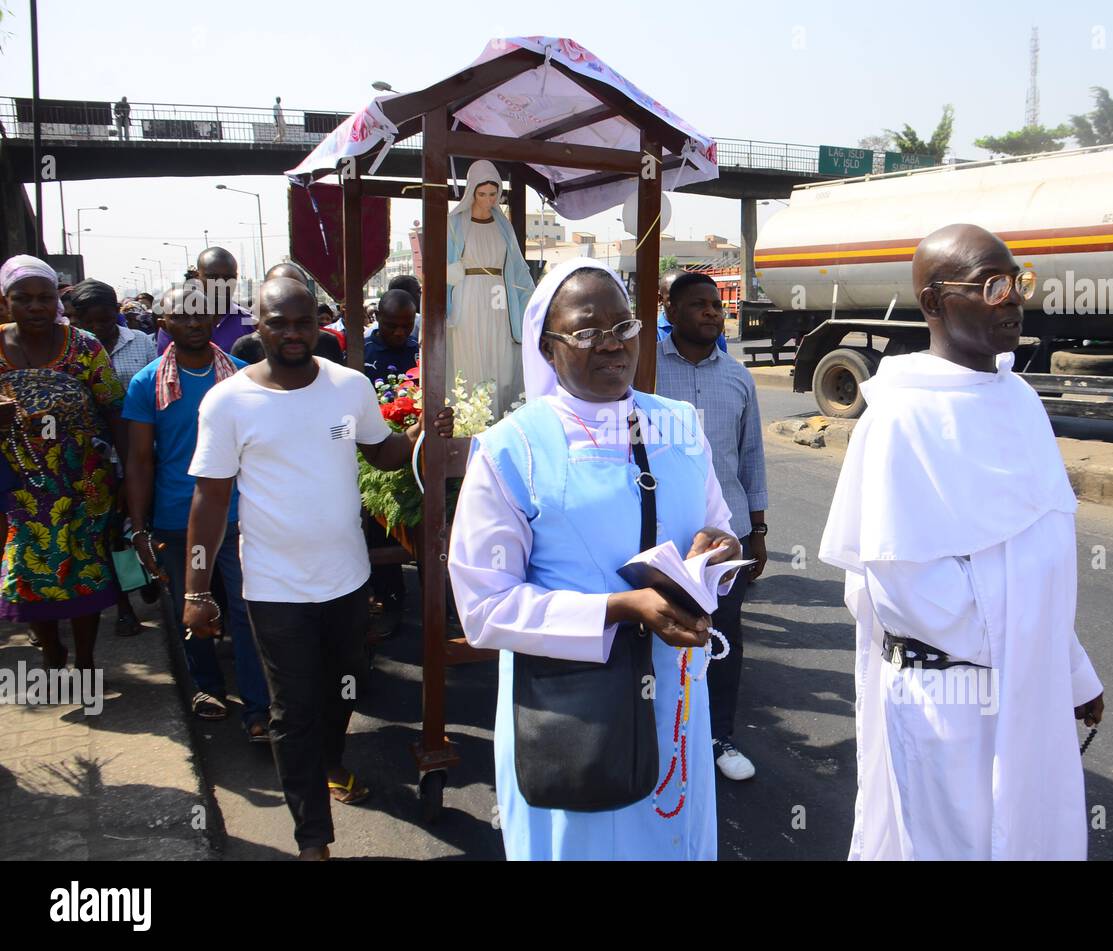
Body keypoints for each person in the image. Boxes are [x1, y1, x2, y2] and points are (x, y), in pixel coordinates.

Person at [818, 224, 1106, 861]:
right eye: (991, 286)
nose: (1014, 299)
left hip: (1029, 683)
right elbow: (907, 589)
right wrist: (1028, 658)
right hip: (950, 699)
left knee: (1035, 835)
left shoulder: (1021, 398)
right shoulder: (899, 417)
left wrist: (1070, 671)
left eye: (1017, 282)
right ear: (934, 302)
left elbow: (1040, 559)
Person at [447, 258, 741, 861]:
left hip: (676, 695)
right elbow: (485, 607)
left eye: (624, 327)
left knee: (672, 839)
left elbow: (718, 531)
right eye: (587, 332)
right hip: (575, 710)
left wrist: (720, 552)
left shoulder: (679, 425)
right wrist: (618, 609)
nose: (612, 345)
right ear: (547, 348)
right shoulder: (512, 449)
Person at [184, 277, 426, 861]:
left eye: (302, 323)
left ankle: (331, 763)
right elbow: (210, 500)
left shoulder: (350, 386)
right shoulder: (227, 401)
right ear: (259, 326)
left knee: (345, 686)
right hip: (274, 587)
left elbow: (380, 450)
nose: (292, 334)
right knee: (292, 709)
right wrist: (196, 589)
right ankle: (312, 840)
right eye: (278, 323)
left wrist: (422, 436)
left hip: (347, 580)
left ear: (319, 324)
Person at [123, 286, 271, 735]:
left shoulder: (244, 376)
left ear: (213, 318)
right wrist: (139, 528)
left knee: (248, 608)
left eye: (201, 314)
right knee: (191, 606)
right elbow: (139, 460)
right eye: (181, 316)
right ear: (163, 323)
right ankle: (206, 687)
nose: (193, 323)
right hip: (179, 519)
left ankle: (258, 706)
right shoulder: (147, 383)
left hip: (239, 515)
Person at [656, 272, 766, 781]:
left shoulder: (739, 378)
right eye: (698, 304)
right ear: (670, 310)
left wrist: (758, 531)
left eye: (716, 306)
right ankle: (662, 734)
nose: (711, 313)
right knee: (662, 632)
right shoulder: (645, 371)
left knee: (723, 636)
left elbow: (751, 457)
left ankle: (718, 736)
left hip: (728, 538)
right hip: (666, 535)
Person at [0, 256, 127, 670]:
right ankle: (52, 649)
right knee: (28, 572)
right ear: (5, 301)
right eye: (23, 298)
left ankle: (86, 660)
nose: (35, 306)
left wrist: (127, 475)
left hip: (81, 484)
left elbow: (114, 410)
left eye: (44, 297)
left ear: (57, 299)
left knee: (83, 570)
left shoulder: (84, 347)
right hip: (18, 485)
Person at [66, 279, 158, 637]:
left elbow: (154, 393)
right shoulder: (71, 351)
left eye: (105, 320)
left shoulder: (142, 343)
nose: (98, 328)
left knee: (142, 521)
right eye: (89, 322)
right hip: (92, 460)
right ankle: (123, 608)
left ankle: (147, 573)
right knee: (106, 536)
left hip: (140, 451)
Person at [445, 160, 535, 418]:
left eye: (493, 194)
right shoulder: (454, 223)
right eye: (482, 193)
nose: (488, 199)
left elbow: (517, 266)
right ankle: (471, 418)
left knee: (502, 355)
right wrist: (451, 272)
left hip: (500, 295)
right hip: (468, 293)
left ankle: (500, 416)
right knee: (470, 354)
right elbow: (440, 261)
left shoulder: (503, 225)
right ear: (472, 191)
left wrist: (530, 299)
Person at [155, 247, 252, 355]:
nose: (221, 284)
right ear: (197, 277)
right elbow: (166, 362)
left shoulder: (249, 321)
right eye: (212, 277)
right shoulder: (175, 322)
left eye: (229, 278)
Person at [657, 268, 727, 353]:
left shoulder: (711, 333)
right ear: (660, 299)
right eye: (673, 298)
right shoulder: (651, 334)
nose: (711, 312)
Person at [363, 289, 419, 383]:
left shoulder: (420, 350)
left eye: (406, 326)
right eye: (391, 326)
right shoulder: (362, 352)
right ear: (377, 316)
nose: (399, 333)